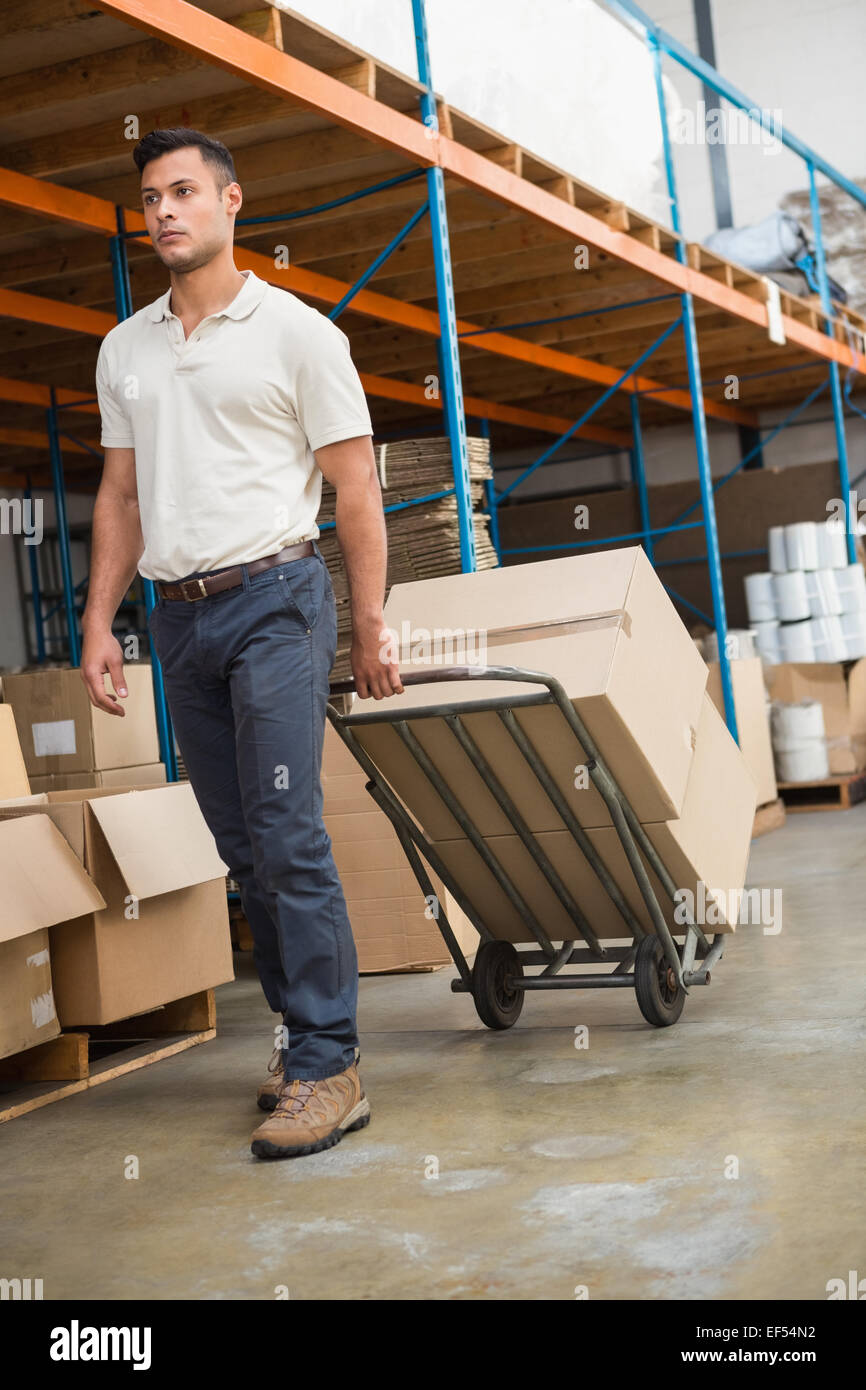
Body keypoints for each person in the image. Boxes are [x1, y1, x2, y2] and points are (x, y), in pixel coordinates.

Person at [81, 127, 403, 1161]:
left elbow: (355, 489)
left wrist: (369, 623)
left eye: (183, 191)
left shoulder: (298, 334)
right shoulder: (123, 349)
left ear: (231, 203)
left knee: (286, 827)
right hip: (178, 616)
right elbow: (122, 495)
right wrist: (98, 618)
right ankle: (301, 1030)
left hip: (277, 599)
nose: (164, 210)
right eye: (149, 197)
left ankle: (327, 1062)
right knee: (241, 844)